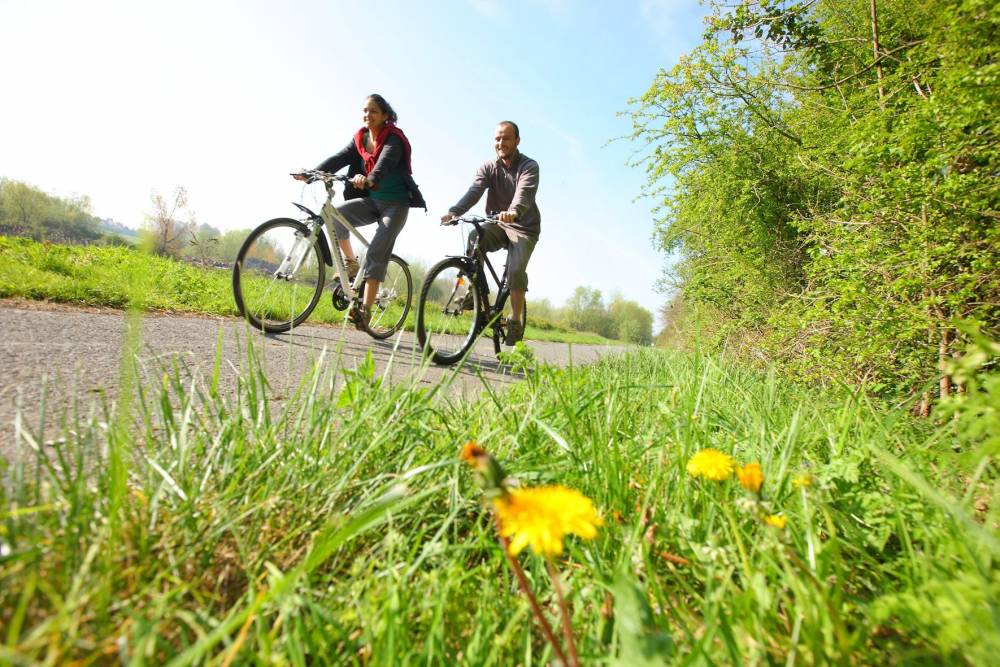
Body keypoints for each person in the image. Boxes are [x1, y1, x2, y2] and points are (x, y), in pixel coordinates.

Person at [294, 93, 425, 329]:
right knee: (335, 217)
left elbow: (385, 163)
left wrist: (369, 179)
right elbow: (340, 158)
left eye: (373, 111)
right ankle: (351, 263)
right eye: (365, 110)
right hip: (372, 202)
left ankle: (365, 310)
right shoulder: (360, 138)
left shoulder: (394, 138)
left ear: (385, 115)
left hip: (395, 206)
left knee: (376, 251)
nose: (368, 115)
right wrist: (312, 173)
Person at [441, 121, 539, 345]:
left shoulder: (529, 166)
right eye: (497, 138)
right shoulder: (488, 167)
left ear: (517, 141)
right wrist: (454, 212)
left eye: (506, 138)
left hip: (524, 226)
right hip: (498, 223)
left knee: (515, 270)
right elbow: (474, 191)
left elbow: (523, 194)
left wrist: (513, 211)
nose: (501, 143)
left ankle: (515, 320)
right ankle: (474, 295)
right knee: (475, 236)